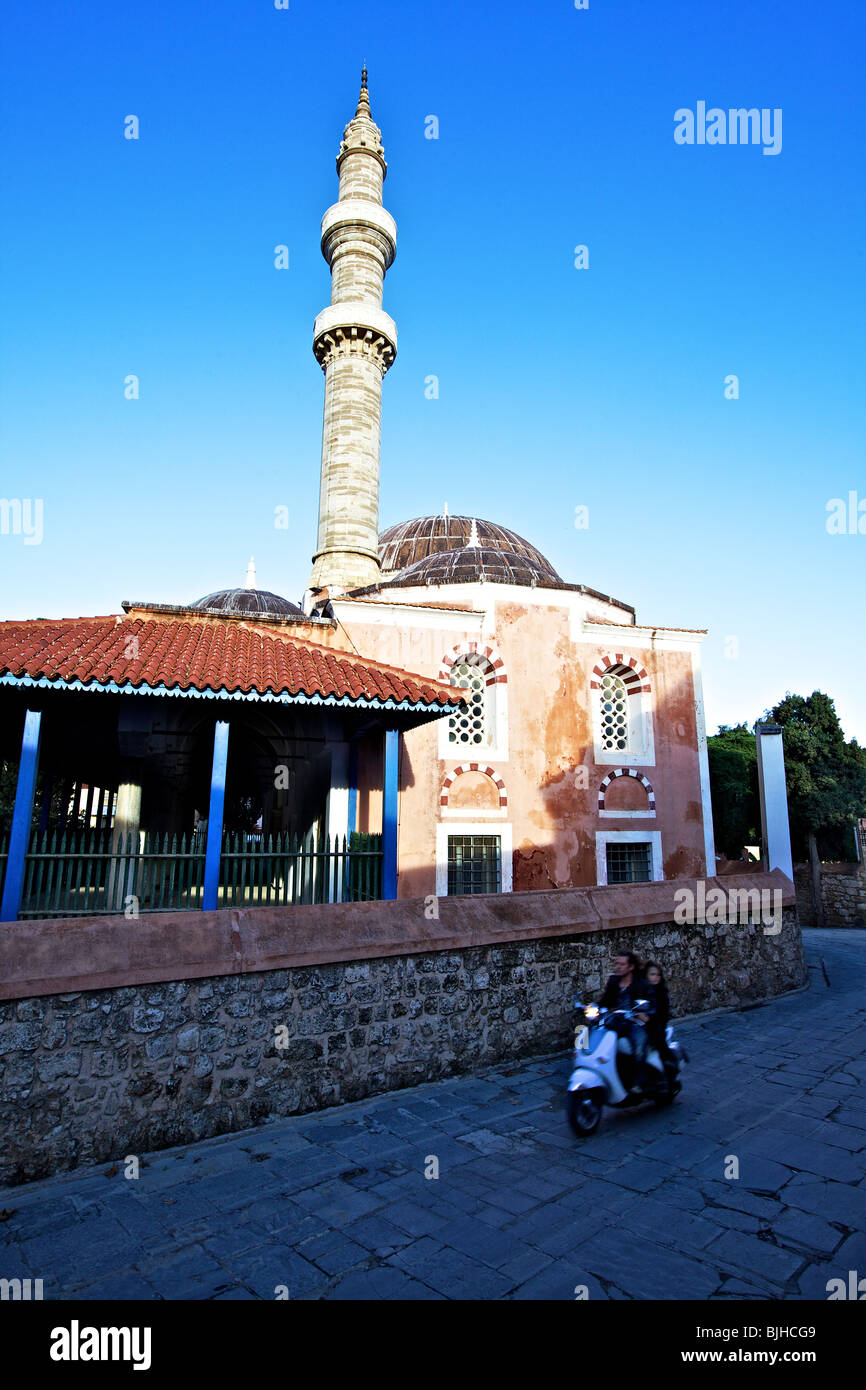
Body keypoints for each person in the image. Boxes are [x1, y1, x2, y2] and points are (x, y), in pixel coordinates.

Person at [599, 951, 656, 1092]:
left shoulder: (641, 984)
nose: (618, 967)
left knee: (638, 1049)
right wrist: (593, 1008)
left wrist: (644, 1013)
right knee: (598, 1038)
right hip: (616, 1020)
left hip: (635, 1023)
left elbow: (652, 1004)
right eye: (617, 964)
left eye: (622, 964)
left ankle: (638, 1083)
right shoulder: (613, 981)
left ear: (631, 967)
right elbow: (605, 1001)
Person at [644, 961, 674, 1072]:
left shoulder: (661, 993)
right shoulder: (642, 990)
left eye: (658, 975)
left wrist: (650, 1019)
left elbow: (663, 1014)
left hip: (656, 1026)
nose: (655, 978)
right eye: (652, 974)